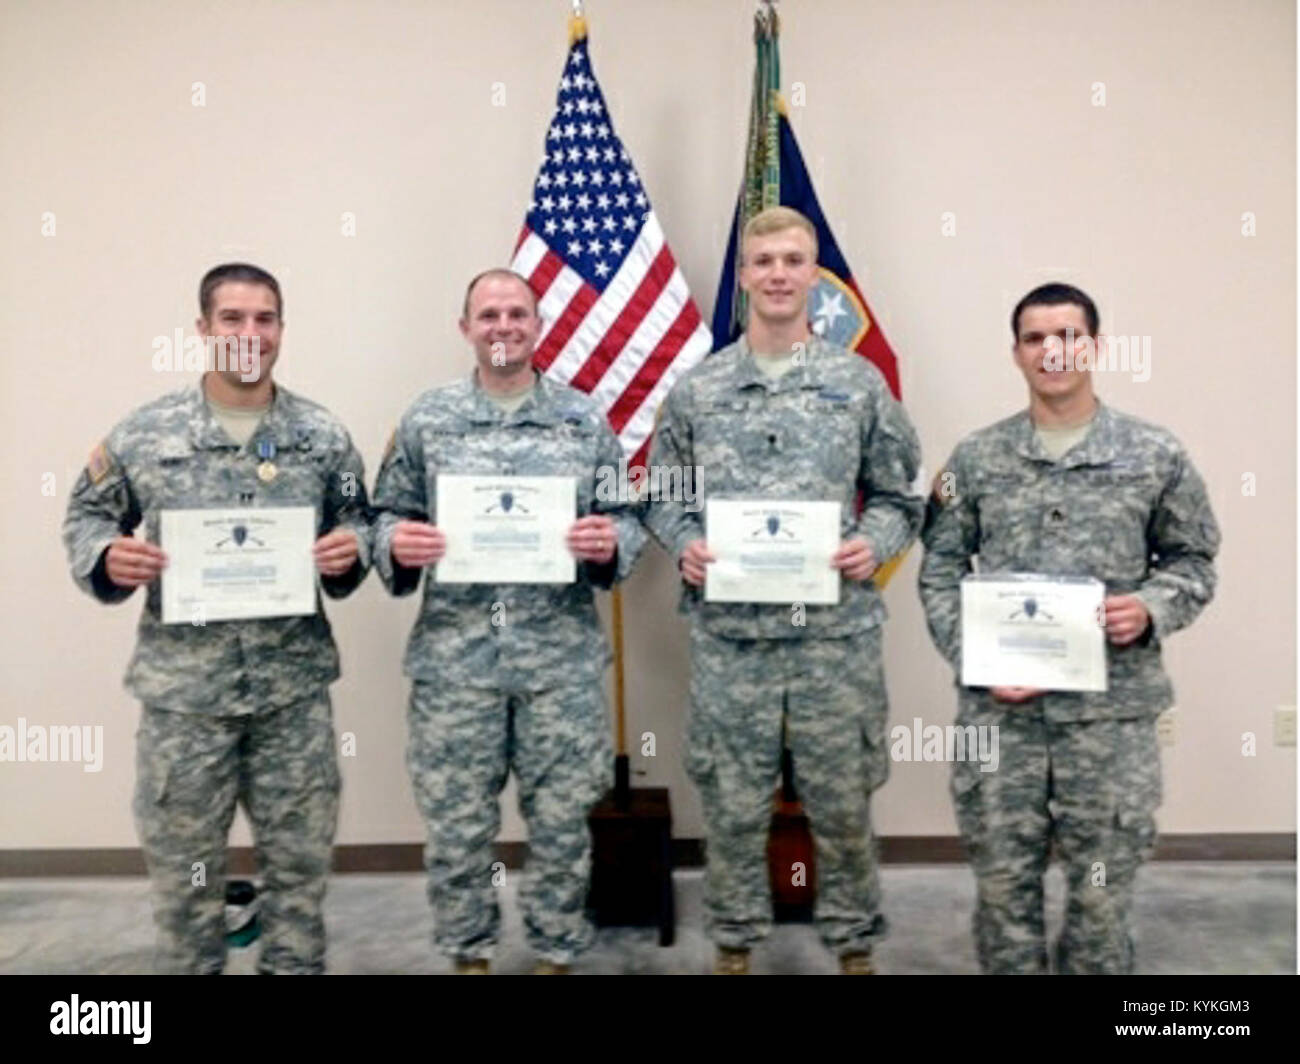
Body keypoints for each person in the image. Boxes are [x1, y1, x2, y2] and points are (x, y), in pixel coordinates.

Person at [63, 263, 370, 974]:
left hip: (291, 698)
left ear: (281, 331)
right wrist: (107, 555)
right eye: (232, 319)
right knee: (184, 890)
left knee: (299, 884)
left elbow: (360, 521)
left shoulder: (321, 436)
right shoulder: (146, 432)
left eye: (264, 319)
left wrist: (350, 549)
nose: (248, 334)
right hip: (184, 702)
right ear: (203, 329)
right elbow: (86, 514)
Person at [645, 206, 923, 974]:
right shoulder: (699, 390)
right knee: (732, 808)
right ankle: (733, 944)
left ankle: (854, 943)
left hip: (835, 641)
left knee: (842, 805)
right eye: (762, 260)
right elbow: (661, 495)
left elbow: (903, 498)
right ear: (743, 274)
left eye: (792, 260)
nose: (776, 273)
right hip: (733, 641)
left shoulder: (856, 384)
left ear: (812, 274)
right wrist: (685, 543)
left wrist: (877, 544)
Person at [918, 282, 1220, 974]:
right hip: (1002, 722)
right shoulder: (975, 461)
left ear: (1095, 346)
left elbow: (1193, 560)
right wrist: (977, 657)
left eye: (1068, 336)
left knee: (1102, 898)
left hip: (1110, 724)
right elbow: (937, 569)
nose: (1052, 350)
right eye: (1035, 338)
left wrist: (1150, 607)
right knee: (1002, 895)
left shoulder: (1154, 454)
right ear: (1016, 353)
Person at [371, 268, 645, 974]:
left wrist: (612, 541)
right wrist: (397, 543)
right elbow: (382, 513)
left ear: (537, 325)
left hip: (561, 665)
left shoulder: (583, 419)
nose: (503, 326)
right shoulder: (427, 419)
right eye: (488, 314)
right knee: (458, 827)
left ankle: (555, 953)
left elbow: (626, 516)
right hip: (456, 666)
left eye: (516, 314)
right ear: (465, 328)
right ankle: (469, 956)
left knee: (560, 825)